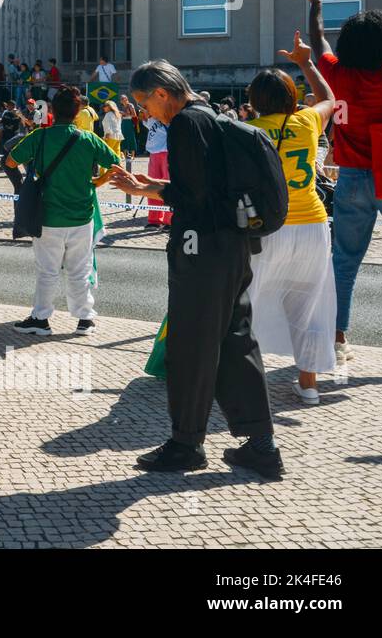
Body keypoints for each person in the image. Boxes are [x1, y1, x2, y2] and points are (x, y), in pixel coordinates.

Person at [111, 60, 281, 478]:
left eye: (144, 103)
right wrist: (145, 187)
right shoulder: (210, 115)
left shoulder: (184, 125)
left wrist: (160, 195)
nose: (146, 113)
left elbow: (195, 198)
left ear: (163, 93)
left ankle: (186, 443)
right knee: (236, 341)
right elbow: (206, 188)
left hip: (201, 249)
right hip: (234, 246)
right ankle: (261, 445)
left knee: (190, 346)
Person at [244, 33, 337, 404]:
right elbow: (330, 99)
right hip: (313, 223)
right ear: (291, 97)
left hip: (267, 227)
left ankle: (243, 382)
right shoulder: (307, 122)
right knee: (308, 304)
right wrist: (306, 62)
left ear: (253, 101)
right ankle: (309, 385)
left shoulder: (246, 131)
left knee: (244, 302)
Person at [306, 0, 382, 362]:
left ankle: (337, 338)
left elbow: (319, 42)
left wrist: (316, 4)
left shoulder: (337, 75)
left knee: (344, 261)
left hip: (352, 176)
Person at [6, 86, 120, 335]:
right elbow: (116, 164)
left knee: (47, 270)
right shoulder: (88, 138)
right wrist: (97, 183)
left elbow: (10, 160)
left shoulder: (40, 137)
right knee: (80, 270)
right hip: (82, 216)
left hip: (48, 217)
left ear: (53, 111)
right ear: (78, 112)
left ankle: (41, 319)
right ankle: (84, 319)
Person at [141, 108, 172, 229]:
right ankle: (154, 219)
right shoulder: (152, 119)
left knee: (167, 186)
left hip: (167, 153)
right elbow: (144, 120)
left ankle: (170, 220)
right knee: (152, 186)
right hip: (154, 154)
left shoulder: (168, 117)